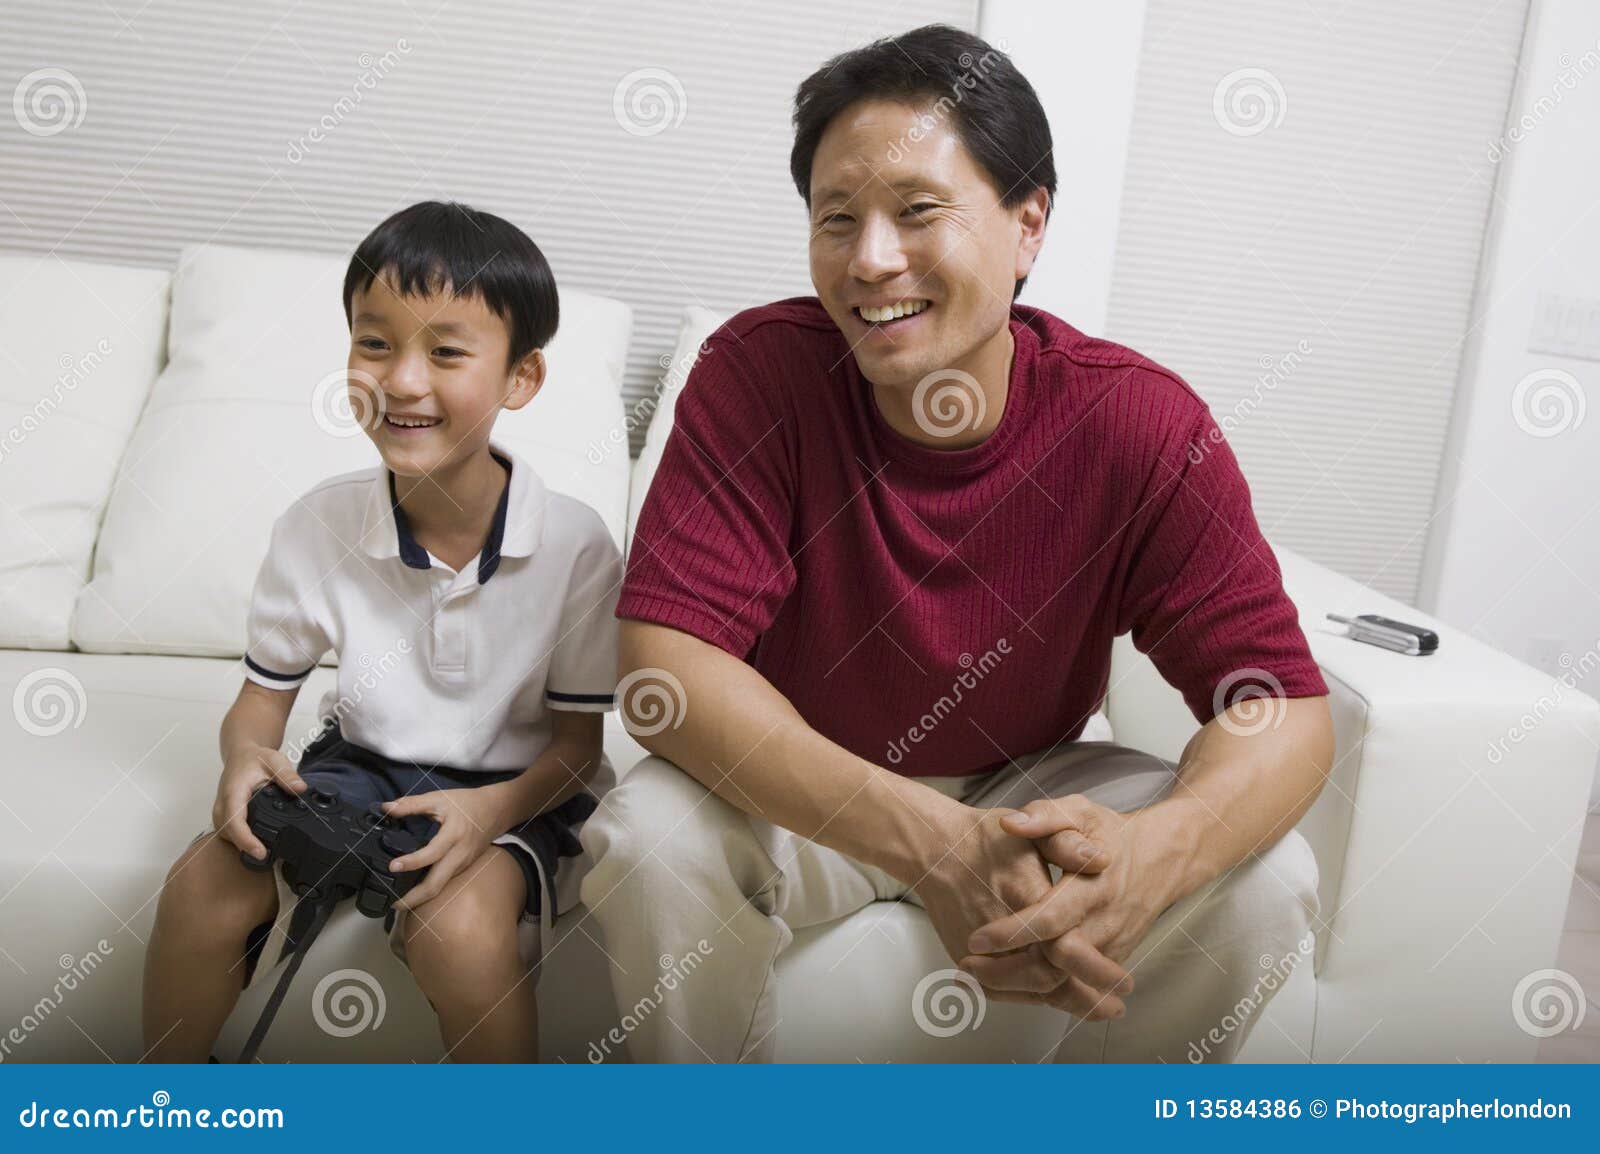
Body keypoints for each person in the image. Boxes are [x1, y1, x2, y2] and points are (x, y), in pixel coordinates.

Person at [579, 25, 1332, 1063]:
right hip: (803, 785)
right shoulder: (758, 374)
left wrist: (1155, 853)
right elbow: (666, 669)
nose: (870, 258)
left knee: (1269, 878)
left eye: (916, 212)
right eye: (835, 220)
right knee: (648, 845)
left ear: (1028, 225)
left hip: (1032, 779)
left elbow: (1279, 703)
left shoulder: (1137, 421)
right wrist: (934, 845)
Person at [142, 201, 622, 1062]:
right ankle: (162, 1105)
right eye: (375, 343)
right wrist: (243, 758)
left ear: (522, 377)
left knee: (461, 932)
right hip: (361, 766)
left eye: (445, 351)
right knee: (200, 887)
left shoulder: (579, 544)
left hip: (518, 786)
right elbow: (260, 706)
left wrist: (488, 813)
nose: (402, 380)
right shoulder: (317, 524)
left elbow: (579, 749)